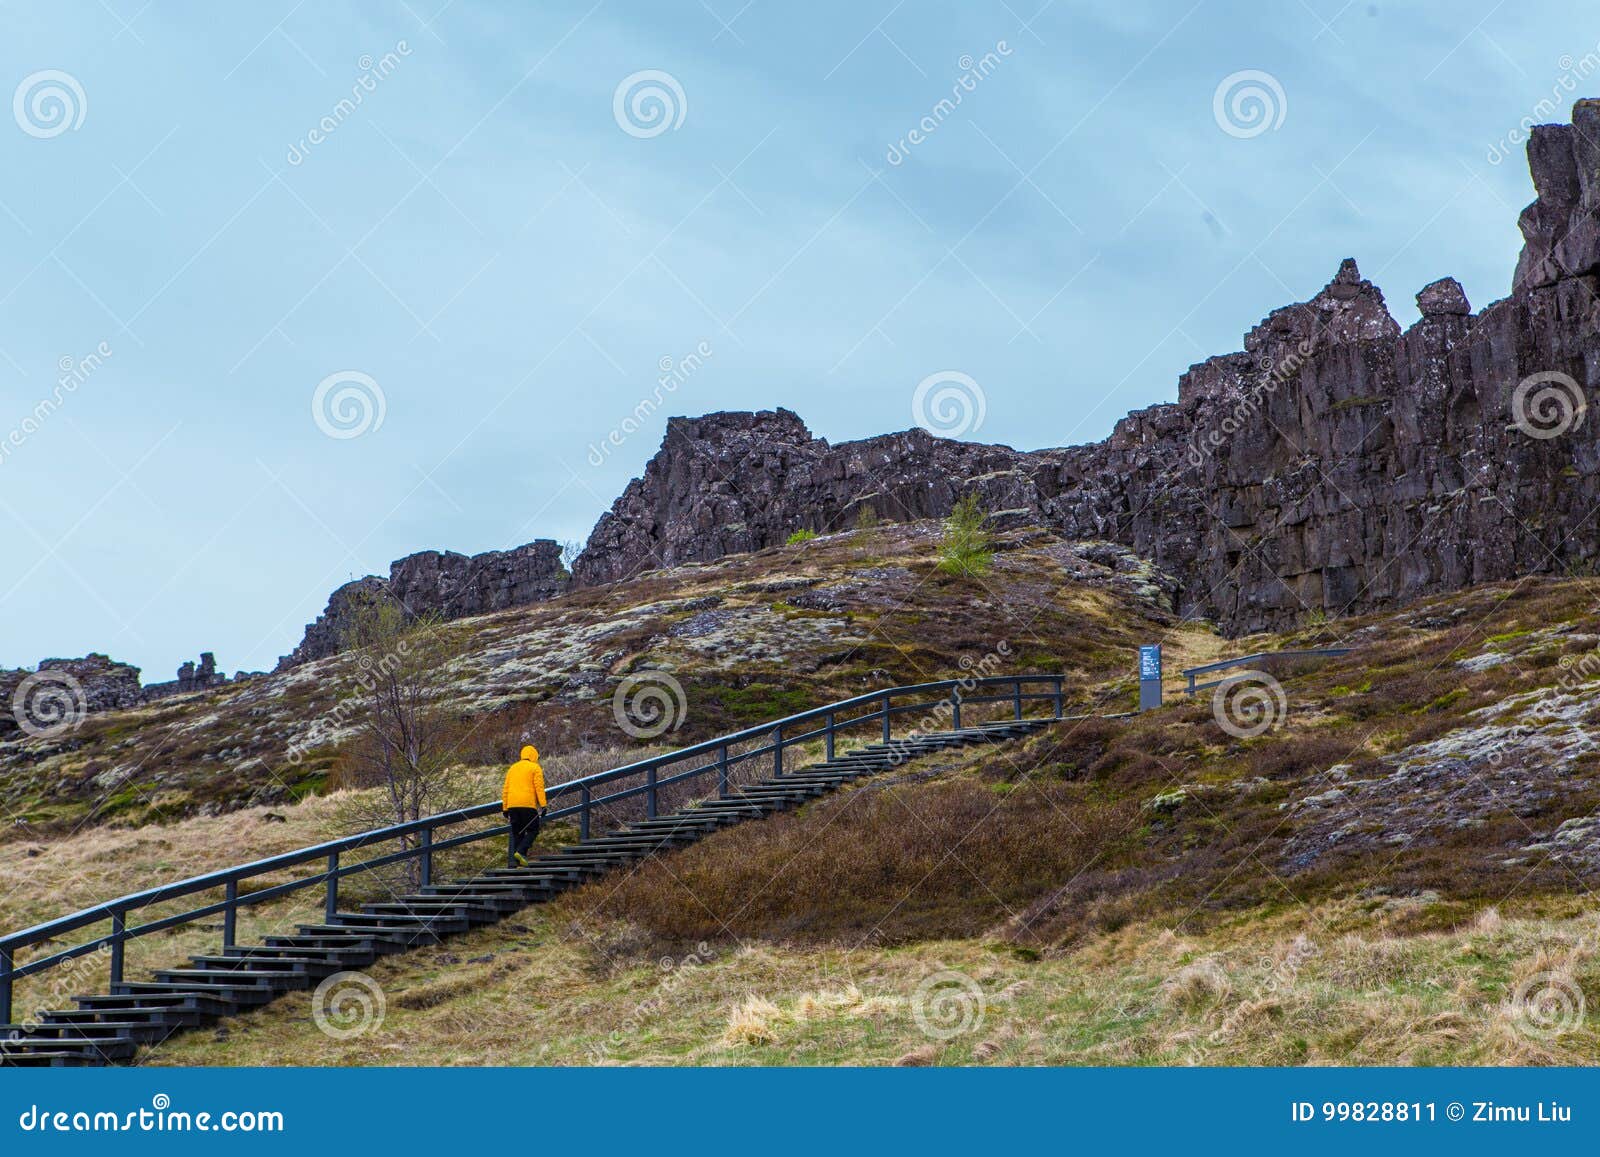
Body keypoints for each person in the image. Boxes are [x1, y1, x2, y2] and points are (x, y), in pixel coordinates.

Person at [501, 744, 547, 866]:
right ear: (534, 755)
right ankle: (521, 852)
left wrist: (505, 808)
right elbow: (539, 787)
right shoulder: (535, 767)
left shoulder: (512, 768)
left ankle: (517, 863)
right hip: (527, 804)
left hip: (512, 805)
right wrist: (543, 805)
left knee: (518, 833)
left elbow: (506, 789)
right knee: (533, 829)